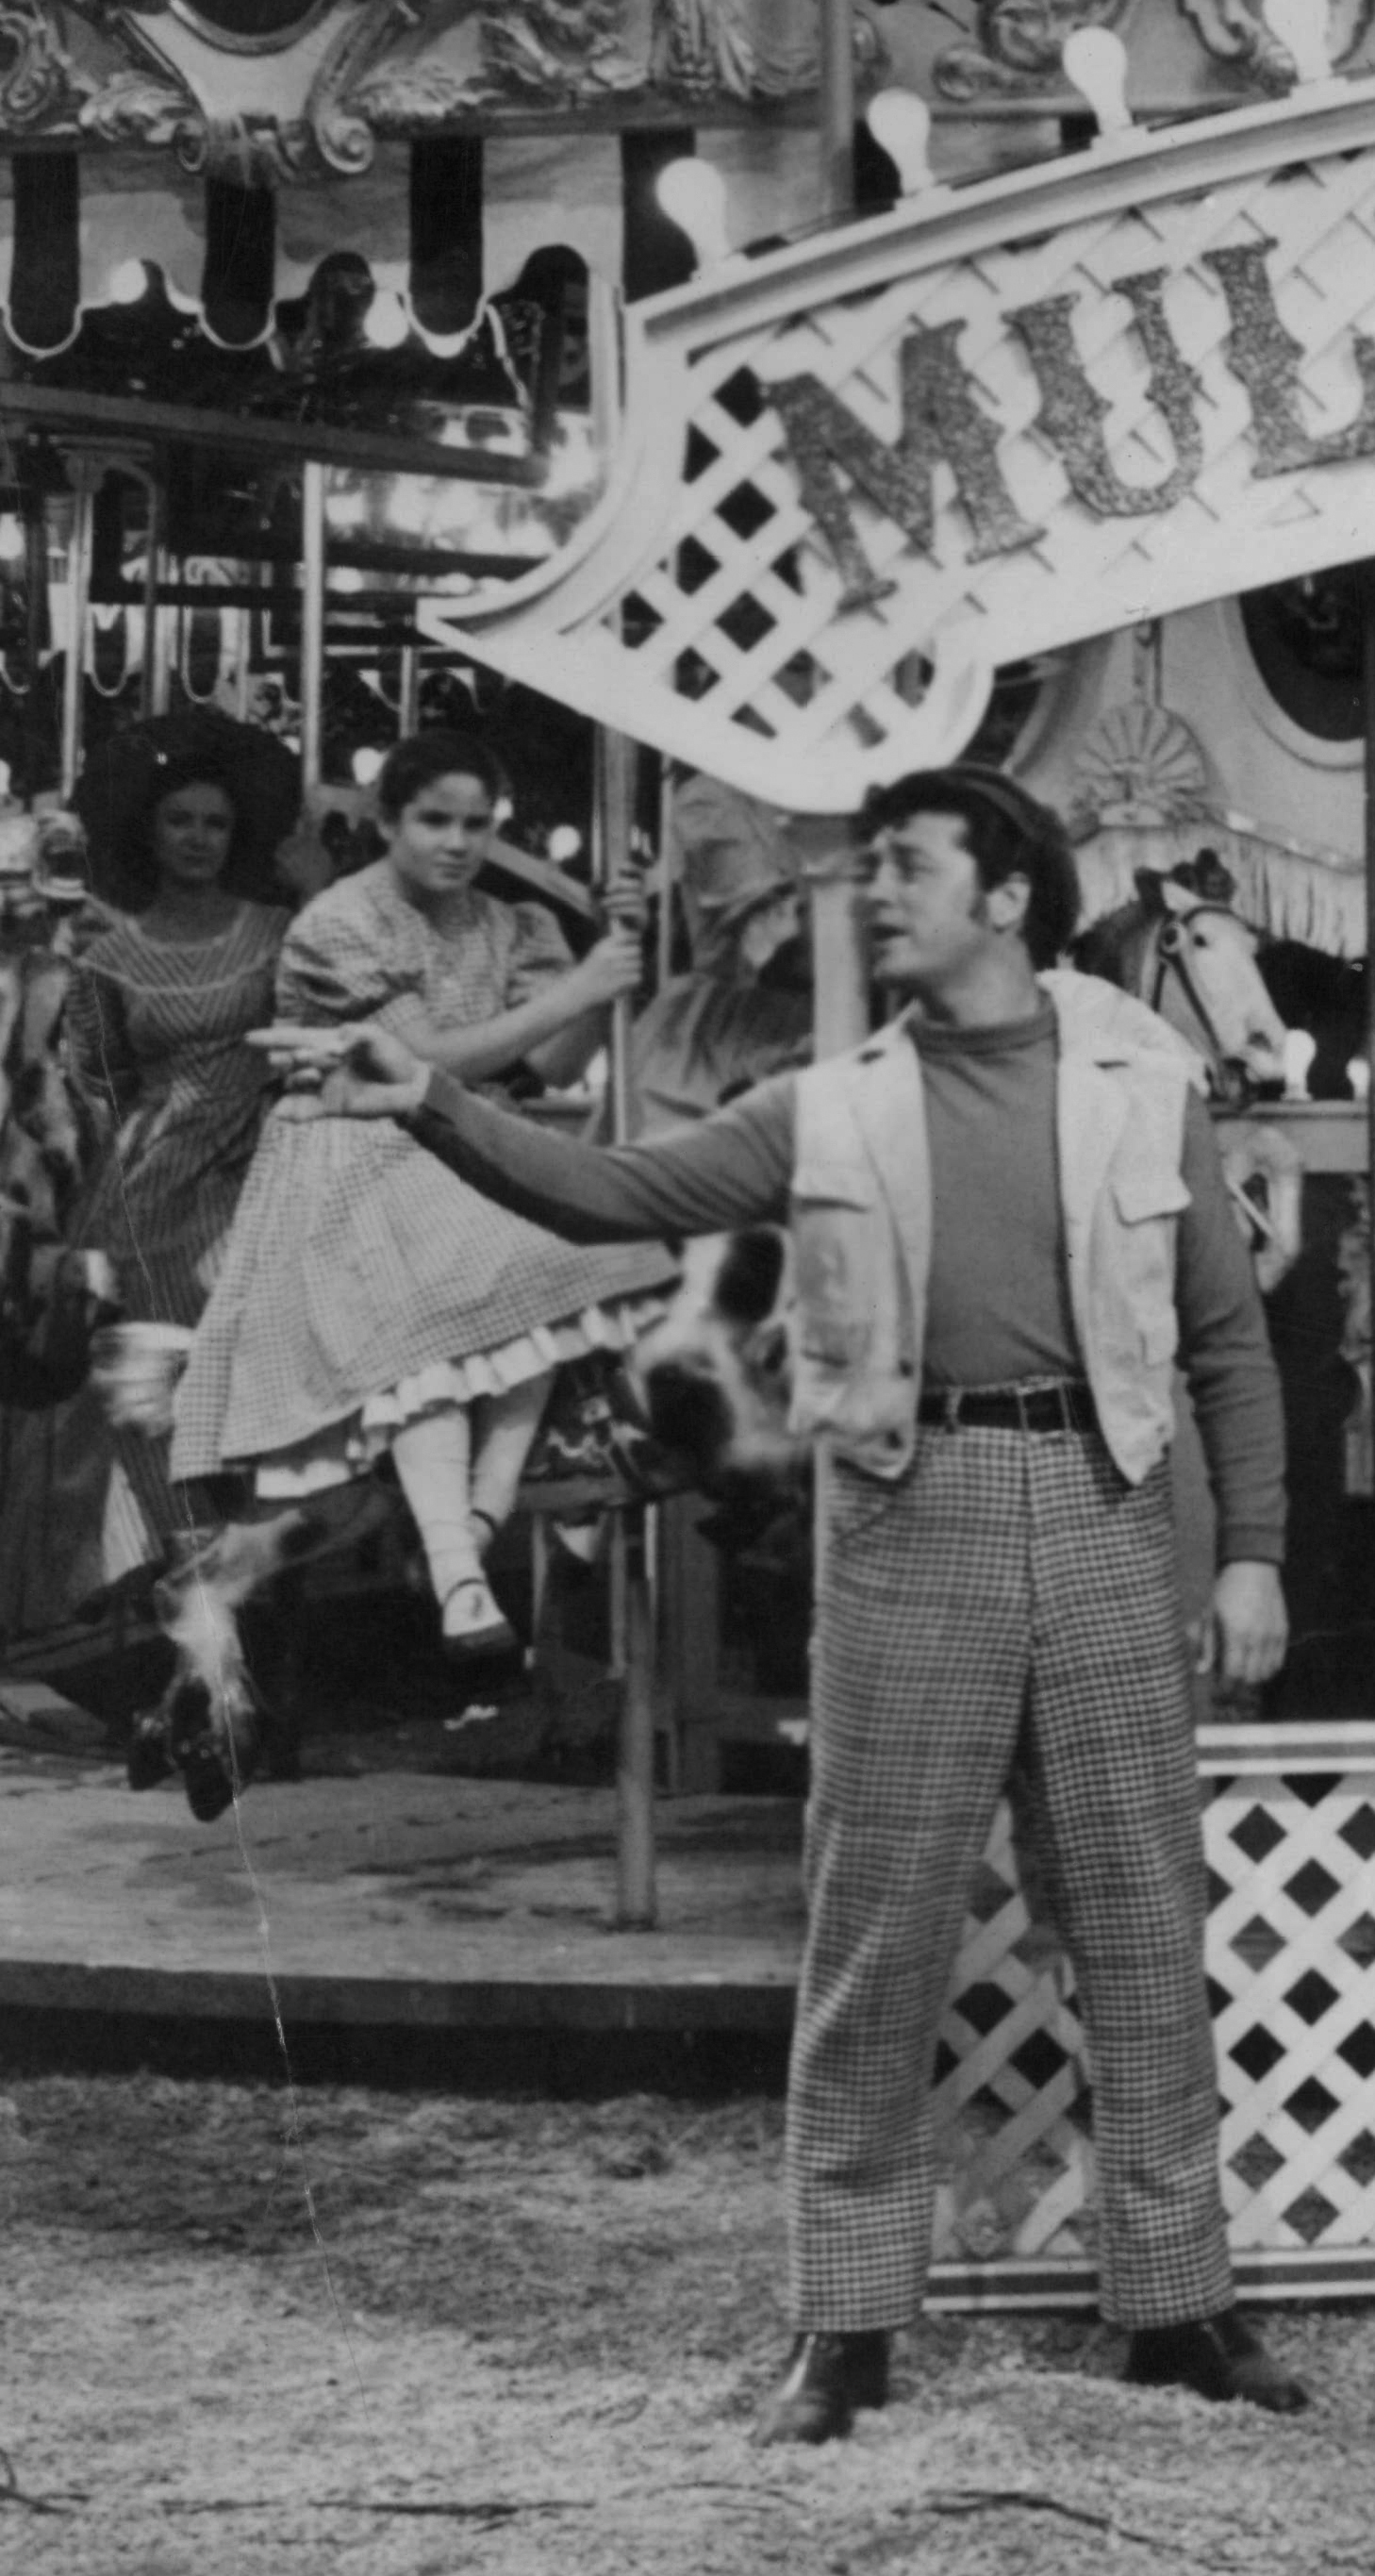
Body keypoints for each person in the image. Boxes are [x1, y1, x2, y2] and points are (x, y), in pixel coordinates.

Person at [292, 762, 1306, 2434]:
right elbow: (616, 1192)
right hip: (907, 1517)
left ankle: (1177, 2304)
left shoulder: (1142, 1077)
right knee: (872, 1932)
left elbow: (1223, 1341)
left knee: (1141, 1922)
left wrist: (1251, 1546)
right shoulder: (829, 1103)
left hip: (1112, 1504)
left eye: (908, 866)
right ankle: (842, 2327)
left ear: (1006, 897)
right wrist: (428, 1102)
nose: (874, 893)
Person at [174, 721, 675, 1661]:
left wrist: (609, 971)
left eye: (477, 824)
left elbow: (553, 1056)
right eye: (435, 820)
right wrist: (575, 995)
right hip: (354, 1139)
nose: (457, 842)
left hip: (460, 1139)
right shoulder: (341, 923)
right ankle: (458, 1560)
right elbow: (413, 1062)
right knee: (449, 1287)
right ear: (389, 820)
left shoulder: (509, 923)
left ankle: (472, 1540)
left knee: (566, 1250)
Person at [0, 707, 302, 1650]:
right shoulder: (108, 952)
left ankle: (239, 1584)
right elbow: (91, 1080)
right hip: (147, 1176)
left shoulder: (279, 930)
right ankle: (189, 1583)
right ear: (150, 833)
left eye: (215, 823)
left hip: (258, 1165)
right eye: (181, 822)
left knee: (255, 1377)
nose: (200, 840)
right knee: (144, 1377)